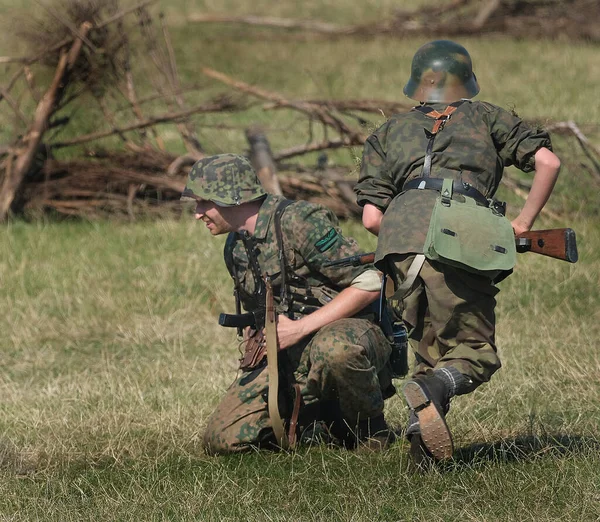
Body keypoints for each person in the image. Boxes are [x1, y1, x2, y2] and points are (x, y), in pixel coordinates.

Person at [354, 40, 561, 465]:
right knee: (474, 353)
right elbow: (549, 163)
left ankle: (422, 456)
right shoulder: (486, 116)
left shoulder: (388, 130)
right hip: (460, 234)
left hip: (398, 243)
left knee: (427, 352)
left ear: (417, 83)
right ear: (465, 80)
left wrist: (407, 230)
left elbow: (372, 219)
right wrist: (522, 223)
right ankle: (435, 390)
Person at [181, 153, 395, 455]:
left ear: (231, 198)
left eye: (204, 202)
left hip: (349, 335)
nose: (197, 213)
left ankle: (369, 430)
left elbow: (373, 281)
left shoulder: (299, 221)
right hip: (287, 352)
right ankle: (316, 420)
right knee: (221, 440)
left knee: (335, 350)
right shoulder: (236, 246)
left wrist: (300, 328)